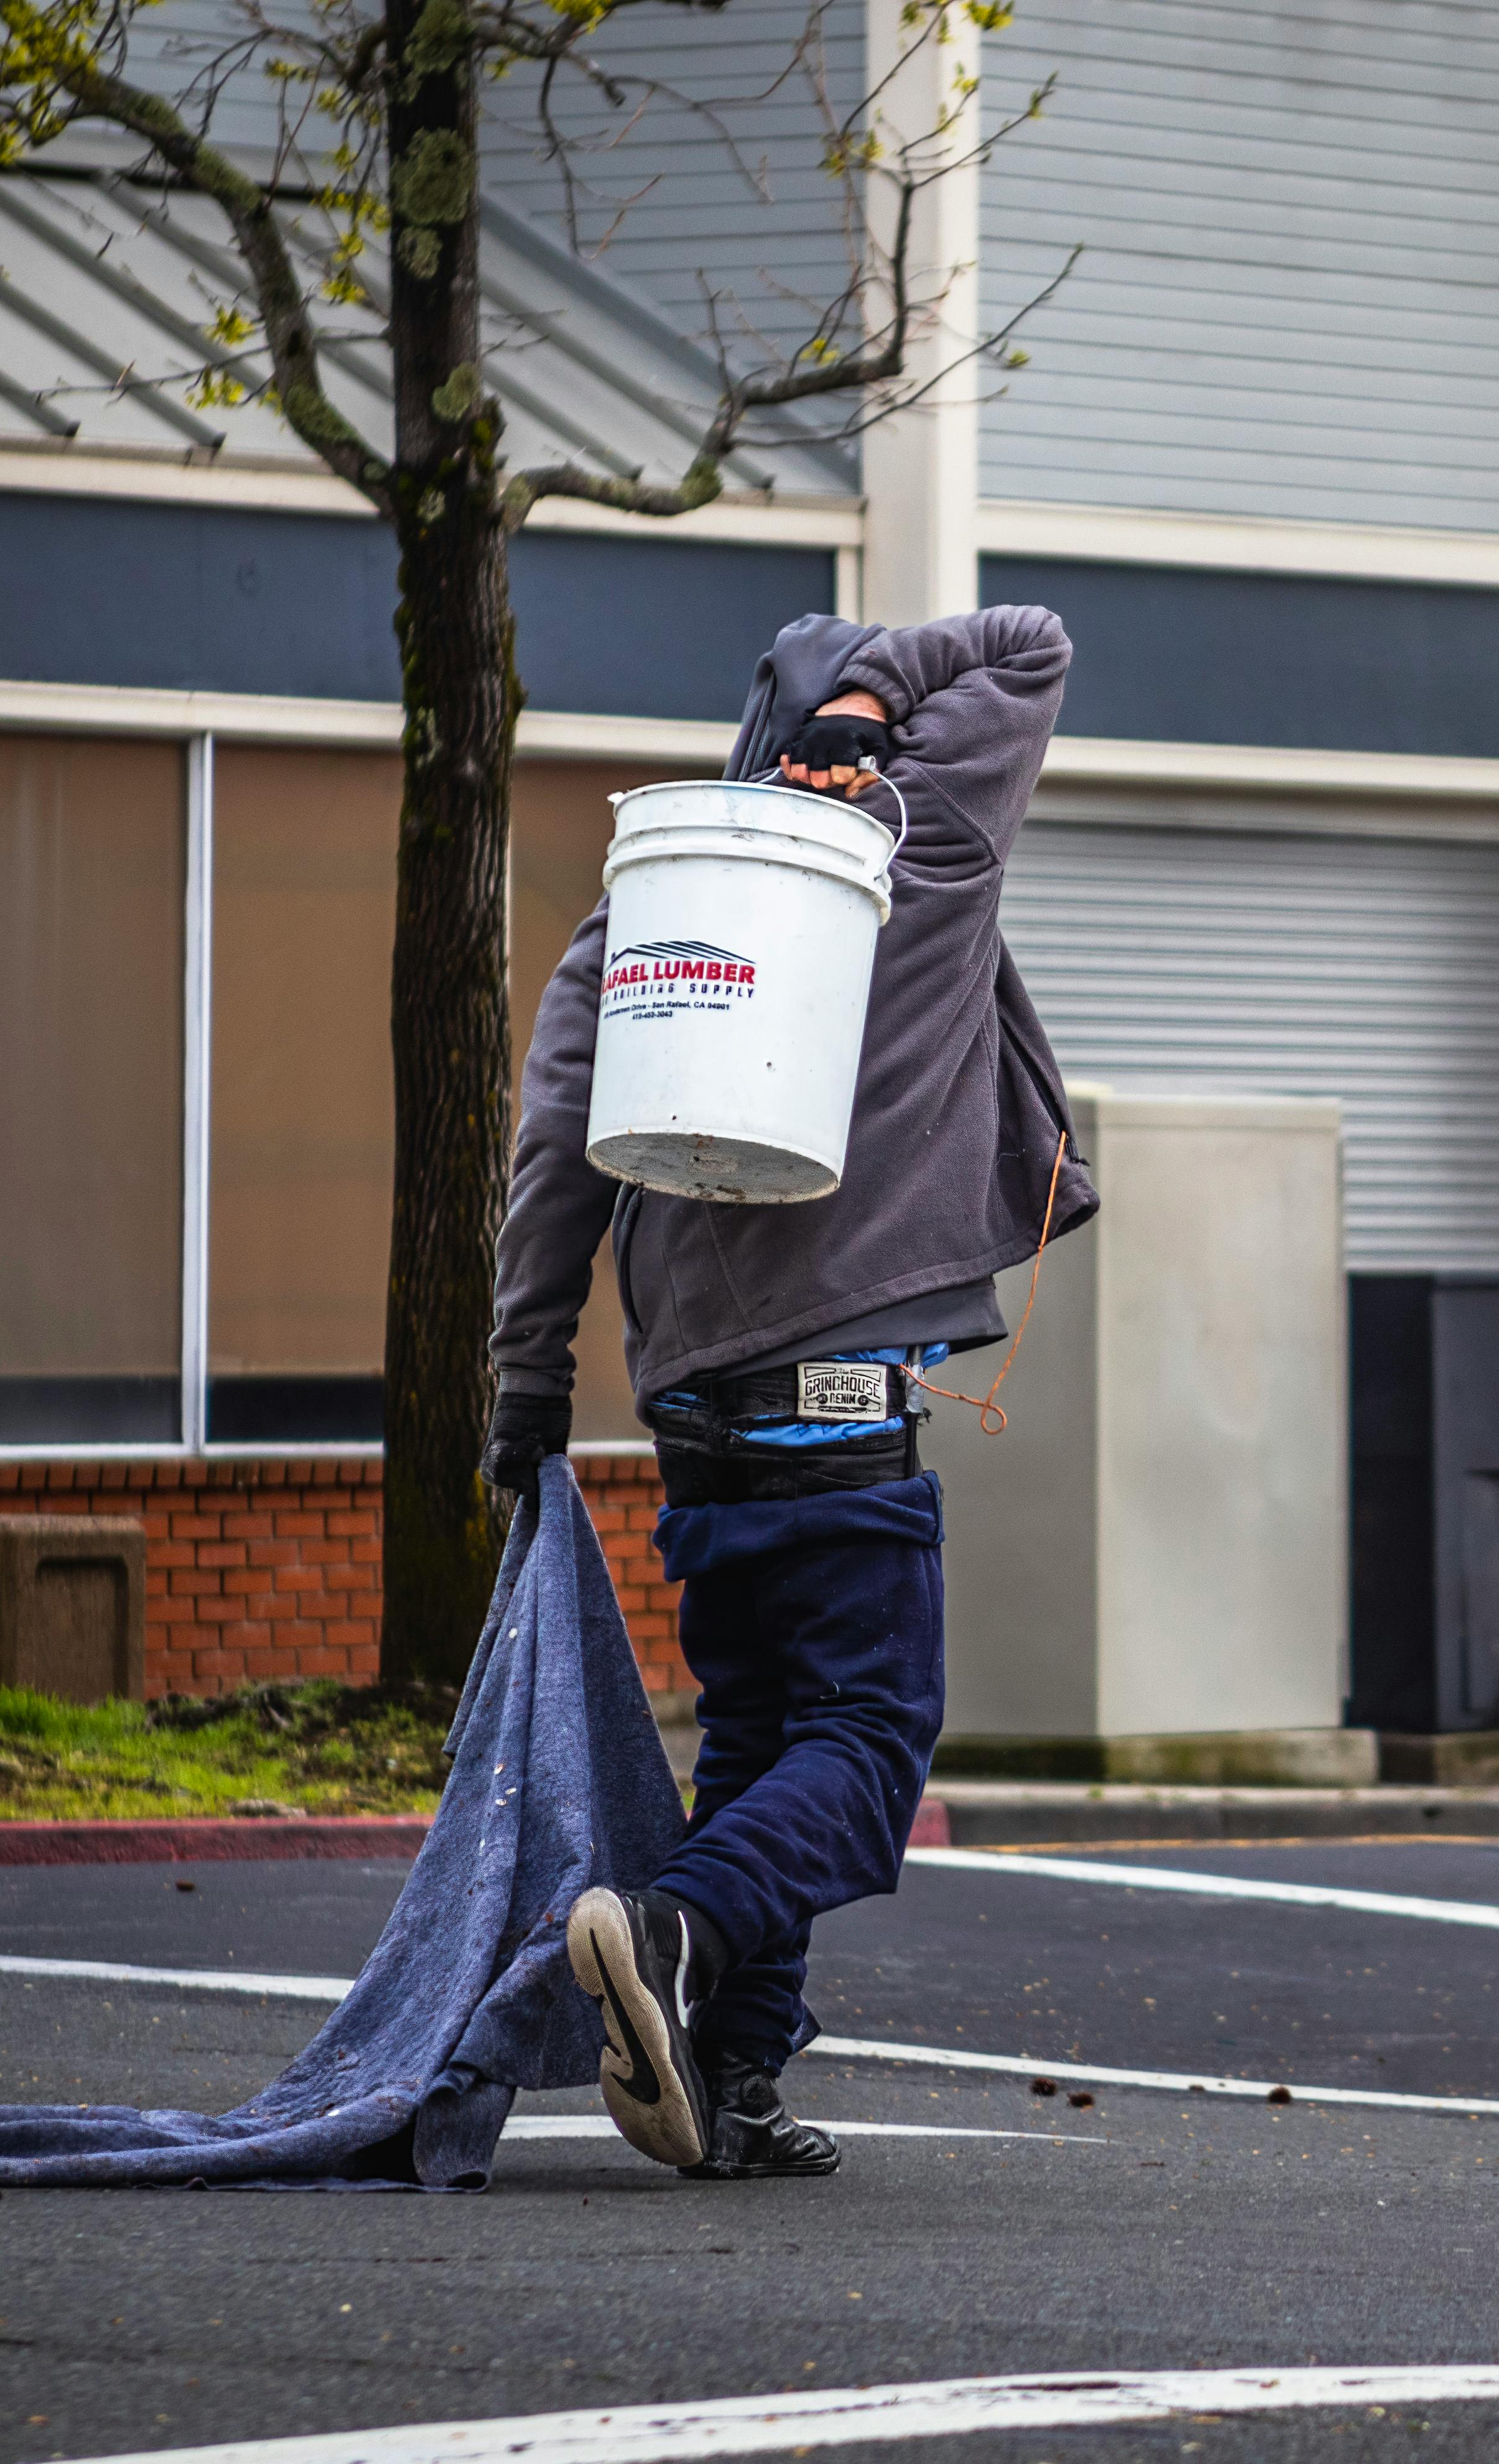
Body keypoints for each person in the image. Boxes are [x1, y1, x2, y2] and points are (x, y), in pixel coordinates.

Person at [479, 606, 1094, 2179]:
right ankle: (675, 1933)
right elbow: (1028, 643)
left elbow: (555, 1157)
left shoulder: (641, 913)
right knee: (871, 1730)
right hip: (837, 1391)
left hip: (690, 1404)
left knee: (761, 1727)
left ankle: (732, 2073)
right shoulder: (918, 850)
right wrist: (884, 701)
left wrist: (527, 1381)